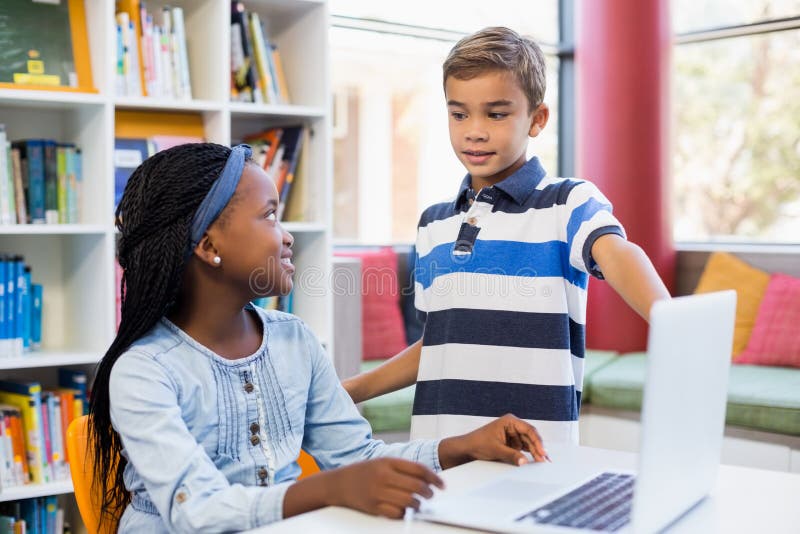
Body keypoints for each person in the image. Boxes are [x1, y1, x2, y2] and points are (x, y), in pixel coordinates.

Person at [88, 142, 549, 533]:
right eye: (269, 217)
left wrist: (461, 446)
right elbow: (197, 511)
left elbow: (357, 455)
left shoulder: (294, 341)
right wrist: (324, 490)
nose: (287, 237)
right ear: (209, 247)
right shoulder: (144, 371)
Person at [342, 27, 670, 443]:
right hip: (442, 455)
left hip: (535, 452)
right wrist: (353, 389)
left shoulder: (566, 203)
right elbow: (437, 344)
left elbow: (616, 253)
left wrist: (668, 320)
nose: (474, 130)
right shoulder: (432, 225)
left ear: (537, 119)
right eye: (459, 113)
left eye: (496, 114)